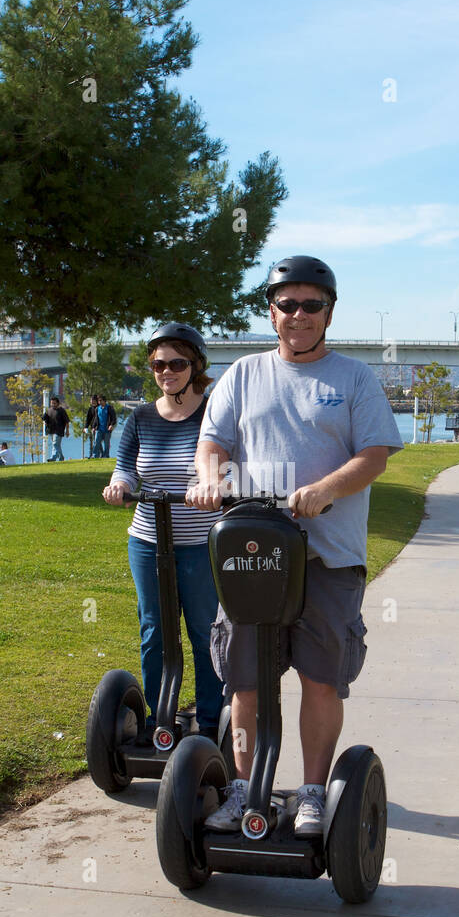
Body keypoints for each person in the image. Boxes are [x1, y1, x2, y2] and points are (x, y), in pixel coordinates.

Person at [187, 254, 404, 836]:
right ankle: (242, 788)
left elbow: (375, 455)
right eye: (288, 304)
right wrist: (211, 477)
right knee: (245, 681)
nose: (299, 315)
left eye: (312, 305)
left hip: (327, 554)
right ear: (271, 311)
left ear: (329, 313)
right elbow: (213, 442)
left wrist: (327, 490)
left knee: (320, 677)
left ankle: (311, 791)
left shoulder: (355, 378)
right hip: (254, 554)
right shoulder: (242, 374)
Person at [103, 324, 225, 742]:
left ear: (196, 366)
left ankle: (211, 719)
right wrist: (120, 484)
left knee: (204, 629)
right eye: (158, 364)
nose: (166, 371)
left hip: (198, 543)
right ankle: (161, 718)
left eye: (176, 363)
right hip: (148, 541)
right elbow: (125, 465)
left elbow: (228, 469)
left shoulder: (214, 415)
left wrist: (213, 486)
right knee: (154, 629)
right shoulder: (140, 417)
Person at [43, 396, 70, 461]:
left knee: (55, 444)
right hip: (51, 430)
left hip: (59, 430)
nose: (53, 405)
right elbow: (45, 419)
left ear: (58, 403)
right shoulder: (49, 410)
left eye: (54, 403)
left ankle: (53, 458)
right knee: (56, 445)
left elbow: (67, 421)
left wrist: (67, 431)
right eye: (52, 403)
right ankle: (61, 457)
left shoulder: (62, 410)